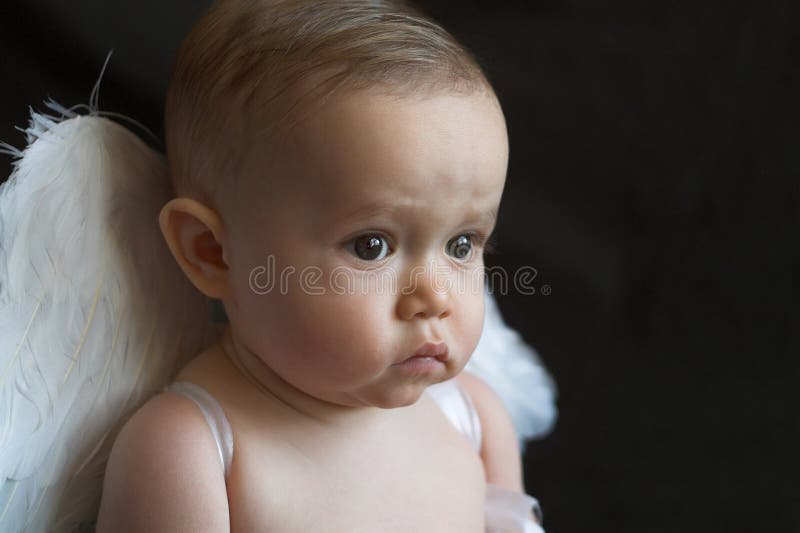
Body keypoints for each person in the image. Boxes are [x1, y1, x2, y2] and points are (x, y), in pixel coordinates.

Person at [95, 1, 544, 531]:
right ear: (212, 252)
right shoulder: (194, 451)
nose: (436, 297)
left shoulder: (472, 419)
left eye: (463, 244)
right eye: (371, 245)